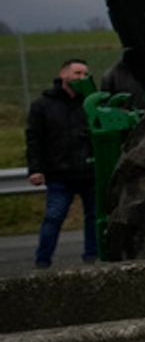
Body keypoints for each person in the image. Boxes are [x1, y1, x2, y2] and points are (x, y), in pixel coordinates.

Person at [26, 58, 99, 269]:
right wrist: (36, 169)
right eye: (77, 73)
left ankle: (92, 258)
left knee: (93, 218)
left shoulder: (90, 103)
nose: (82, 78)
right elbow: (34, 139)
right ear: (63, 74)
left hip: (88, 172)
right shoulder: (43, 105)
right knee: (53, 217)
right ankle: (42, 261)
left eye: (85, 74)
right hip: (60, 174)